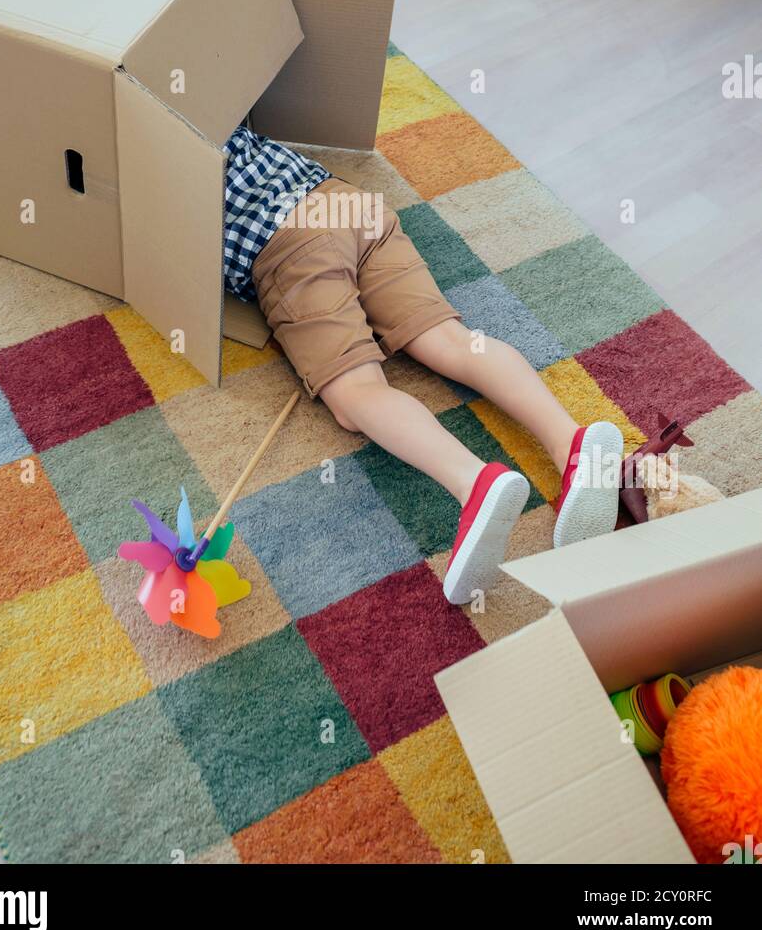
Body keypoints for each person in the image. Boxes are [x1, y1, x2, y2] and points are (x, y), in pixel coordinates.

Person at [225, 124, 623, 605]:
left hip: (287, 243)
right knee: (451, 341)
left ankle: (474, 482)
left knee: (355, 395)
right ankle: (570, 442)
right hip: (351, 205)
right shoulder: (193, 80)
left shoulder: (144, 171)